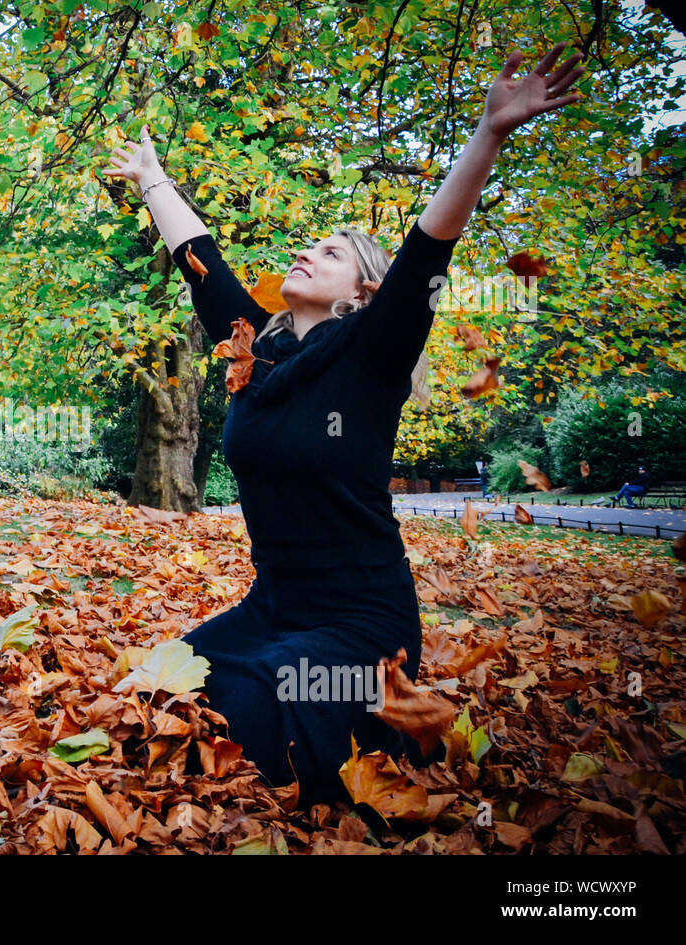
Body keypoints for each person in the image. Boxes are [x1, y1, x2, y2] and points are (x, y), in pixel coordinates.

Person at [104, 42, 585, 805]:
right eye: (307, 242)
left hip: (361, 625)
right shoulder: (254, 348)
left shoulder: (372, 352)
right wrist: (152, 175)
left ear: (362, 290)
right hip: (274, 606)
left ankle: (391, 721)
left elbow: (428, 249)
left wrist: (489, 132)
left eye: (328, 251)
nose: (303, 250)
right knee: (154, 687)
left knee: (255, 710)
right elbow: (199, 257)